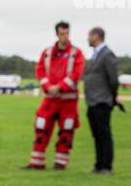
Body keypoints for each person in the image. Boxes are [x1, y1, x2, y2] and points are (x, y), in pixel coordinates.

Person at [23, 21, 85, 170]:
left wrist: (60, 87)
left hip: (68, 101)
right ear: (57, 34)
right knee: (41, 126)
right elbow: (40, 71)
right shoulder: (47, 53)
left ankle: (60, 163)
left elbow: (77, 73)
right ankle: (36, 162)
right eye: (62, 34)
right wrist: (47, 86)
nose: (65, 37)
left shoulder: (76, 53)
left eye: (67, 33)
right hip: (50, 99)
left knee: (66, 130)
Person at [85, 26, 119, 174]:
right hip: (92, 101)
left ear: (96, 36)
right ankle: (99, 164)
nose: (88, 39)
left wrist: (111, 97)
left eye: (89, 36)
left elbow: (113, 80)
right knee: (97, 135)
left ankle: (106, 166)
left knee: (104, 135)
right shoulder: (95, 55)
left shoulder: (107, 54)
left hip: (102, 101)